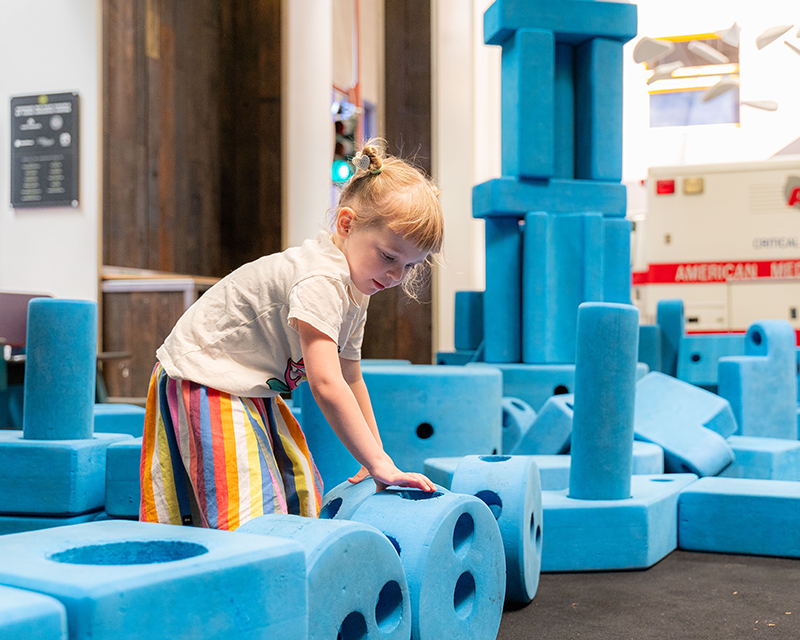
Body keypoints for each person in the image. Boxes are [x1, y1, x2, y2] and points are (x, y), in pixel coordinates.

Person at [139, 141, 443, 530]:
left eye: (409, 266)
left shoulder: (358, 285)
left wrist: (376, 458)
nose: (395, 277)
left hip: (249, 385)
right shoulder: (321, 279)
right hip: (204, 375)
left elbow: (351, 377)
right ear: (346, 224)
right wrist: (379, 465)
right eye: (388, 257)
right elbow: (326, 384)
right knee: (249, 506)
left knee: (299, 484)